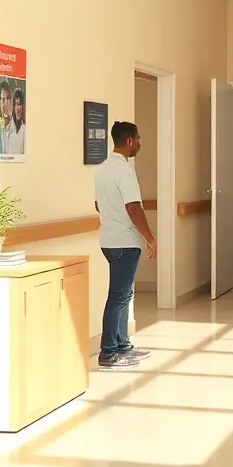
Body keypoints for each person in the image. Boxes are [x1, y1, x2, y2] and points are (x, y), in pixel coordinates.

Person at [93, 121, 156, 369]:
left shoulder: (102, 169)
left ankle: (123, 346)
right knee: (119, 297)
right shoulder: (125, 171)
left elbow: (98, 205)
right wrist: (149, 238)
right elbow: (133, 207)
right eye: (138, 139)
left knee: (124, 295)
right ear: (129, 140)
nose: (140, 143)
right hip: (124, 242)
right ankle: (109, 352)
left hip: (108, 240)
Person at [3, 88, 26, 156]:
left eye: (20, 104)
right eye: (16, 104)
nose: (18, 108)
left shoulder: (25, 130)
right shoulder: (6, 132)